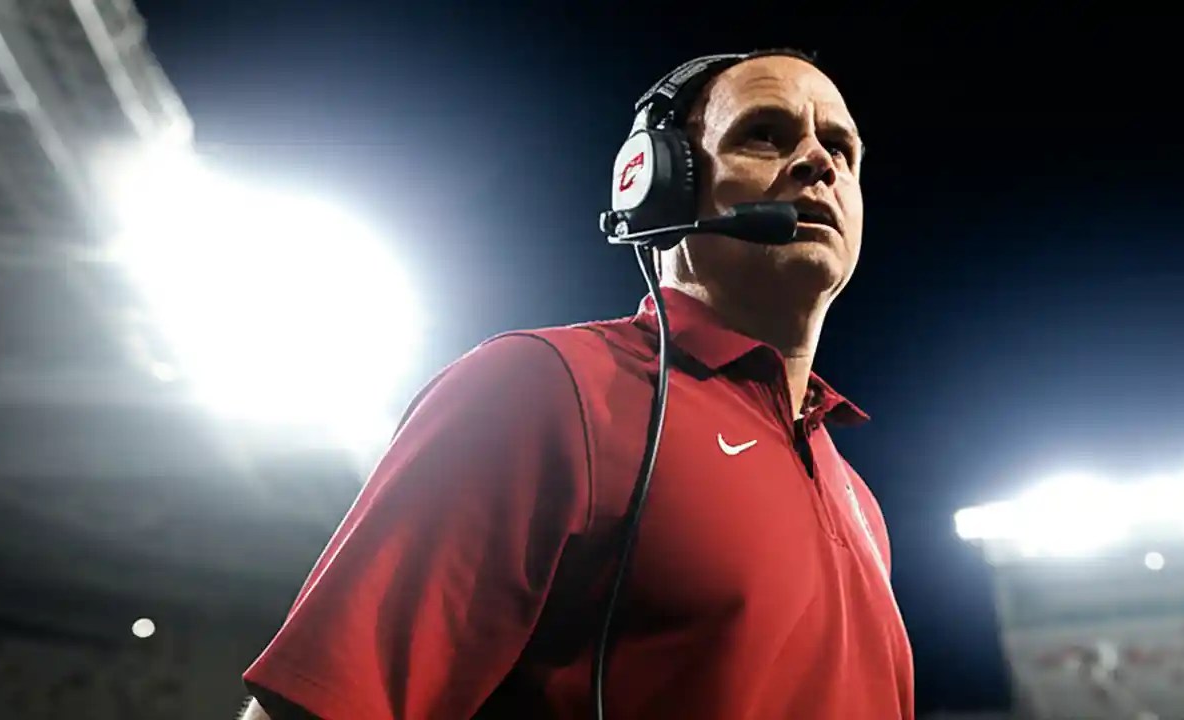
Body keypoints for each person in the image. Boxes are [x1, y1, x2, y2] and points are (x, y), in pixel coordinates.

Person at [239, 48, 914, 720]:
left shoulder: (859, 501)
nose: (819, 161)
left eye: (840, 148)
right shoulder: (539, 391)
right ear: (658, 183)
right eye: (765, 134)